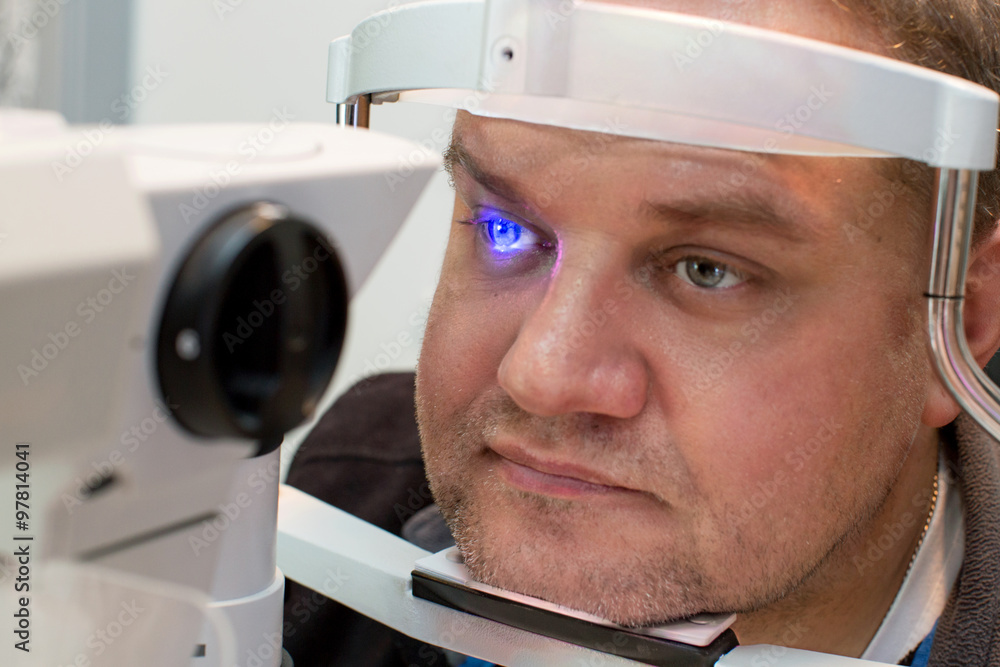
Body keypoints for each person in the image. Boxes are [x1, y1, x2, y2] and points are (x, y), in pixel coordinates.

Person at [283, 0, 1000, 665]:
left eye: (706, 269)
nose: (541, 375)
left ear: (962, 318)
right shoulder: (351, 491)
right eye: (507, 229)